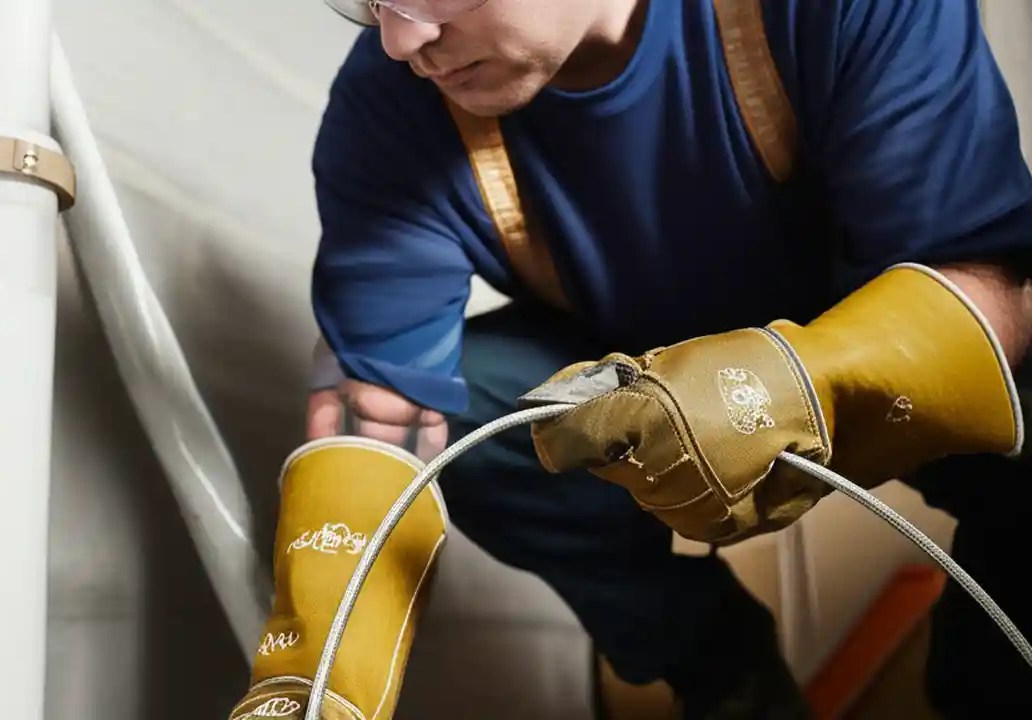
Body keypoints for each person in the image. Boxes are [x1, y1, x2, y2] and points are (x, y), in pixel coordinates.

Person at [230, 1, 1032, 718]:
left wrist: (792, 382)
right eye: (366, 0)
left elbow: (997, 292)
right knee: (477, 405)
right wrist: (315, 679)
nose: (404, 40)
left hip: (894, 361)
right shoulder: (389, 103)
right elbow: (381, 410)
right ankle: (723, 672)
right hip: (634, 375)